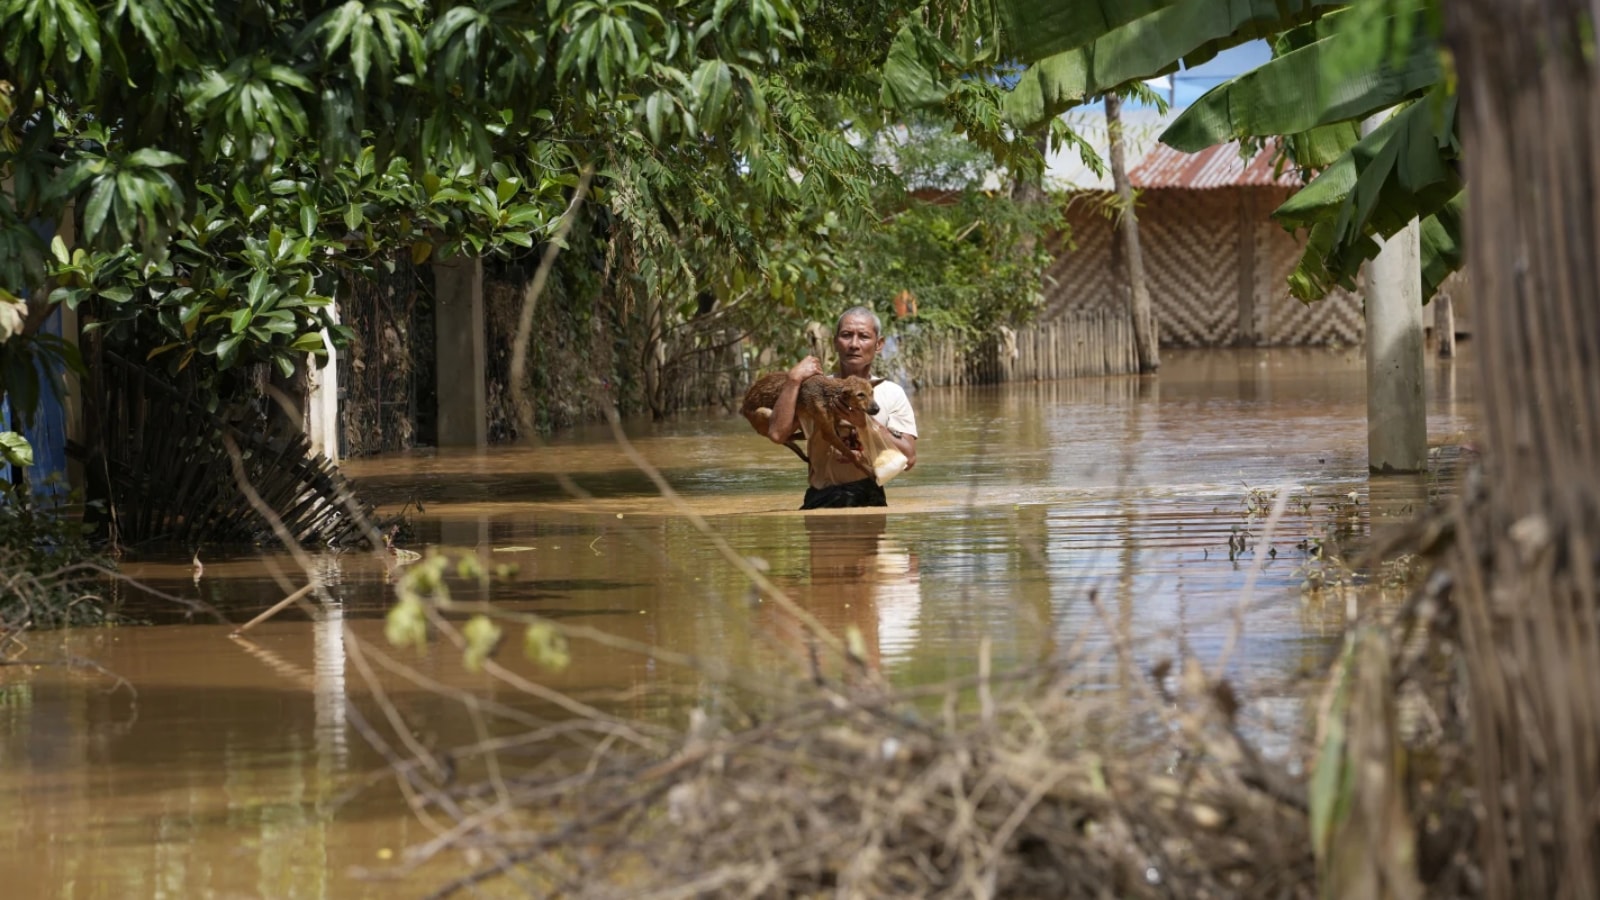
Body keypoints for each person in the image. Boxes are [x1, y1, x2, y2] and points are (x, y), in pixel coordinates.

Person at [765, 307, 918, 509]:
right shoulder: (814, 390)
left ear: (879, 344)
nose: (854, 344)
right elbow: (777, 434)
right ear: (835, 342)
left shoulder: (892, 393)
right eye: (846, 335)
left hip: (870, 495)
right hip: (822, 497)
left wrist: (866, 424)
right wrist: (793, 381)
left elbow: (909, 459)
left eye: (863, 337)